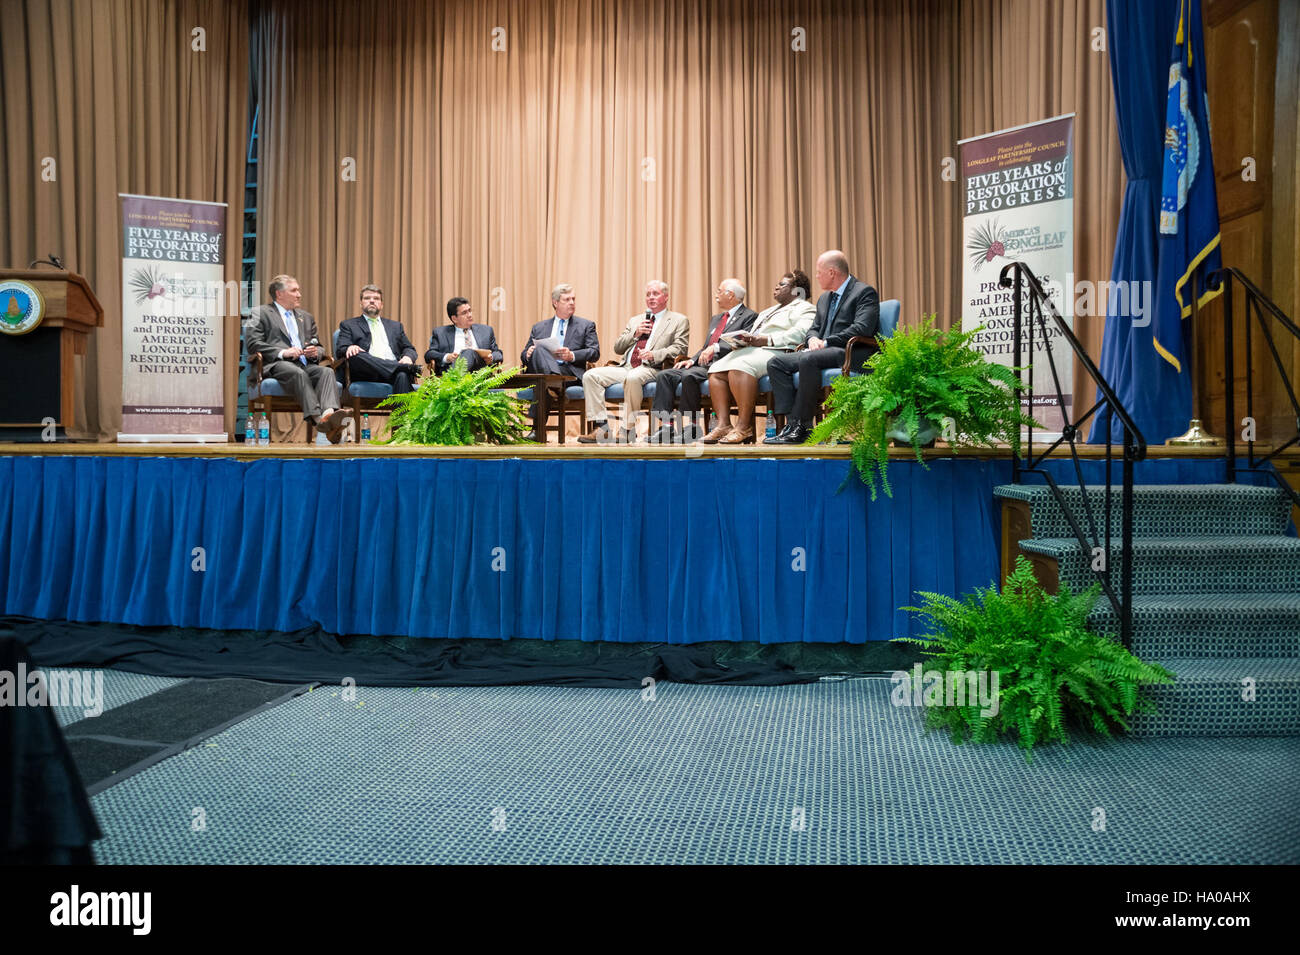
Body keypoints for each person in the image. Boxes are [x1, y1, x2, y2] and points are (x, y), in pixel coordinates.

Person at [764, 250, 879, 445]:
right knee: (776, 363)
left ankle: (803, 424)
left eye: (819, 272)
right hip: (823, 352)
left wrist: (826, 342)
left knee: (809, 359)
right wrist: (812, 340)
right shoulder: (825, 298)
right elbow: (814, 329)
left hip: (852, 352)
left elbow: (862, 328)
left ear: (832, 272)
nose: (816, 276)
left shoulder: (863, 292)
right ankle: (793, 425)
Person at [703, 270, 817, 443]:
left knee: (740, 367)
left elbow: (800, 334)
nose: (776, 287)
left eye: (782, 285)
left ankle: (743, 427)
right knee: (715, 370)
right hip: (752, 349)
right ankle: (724, 425)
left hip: (779, 351)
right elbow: (754, 333)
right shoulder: (768, 311)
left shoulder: (805, 308)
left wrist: (766, 339)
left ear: (796, 289)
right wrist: (741, 340)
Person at [577, 280, 689, 444]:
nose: (651, 297)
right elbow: (618, 348)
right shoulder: (636, 320)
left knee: (633, 378)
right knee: (590, 375)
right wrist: (635, 334)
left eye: (655, 294)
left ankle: (627, 429)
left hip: (654, 368)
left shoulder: (678, 320)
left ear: (665, 297)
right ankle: (602, 428)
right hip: (626, 366)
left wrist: (654, 354)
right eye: (648, 294)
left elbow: (680, 349)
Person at [649, 278, 757, 444]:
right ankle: (666, 427)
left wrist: (717, 348)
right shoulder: (716, 318)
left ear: (730, 294)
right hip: (703, 363)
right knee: (665, 375)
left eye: (719, 291)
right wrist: (691, 360)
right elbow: (706, 346)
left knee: (689, 376)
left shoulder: (749, 316)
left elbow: (745, 343)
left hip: (723, 365)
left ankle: (691, 428)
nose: (716, 295)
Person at [244, 274, 350, 442]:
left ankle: (329, 415)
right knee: (297, 373)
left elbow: (320, 346)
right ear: (279, 294)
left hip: (304, 364)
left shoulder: (305, 317)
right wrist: (283, 352)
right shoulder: (258, 313)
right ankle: (318, 421)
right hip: (275, 365)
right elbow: (252, 344)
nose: (299, 294)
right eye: (294, 290)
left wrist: (316, 352)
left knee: (326, 372)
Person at [520, 284, 601, 436]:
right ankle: (553, 383)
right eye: (567, 299)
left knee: (543, 381)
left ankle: (537, 430)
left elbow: (594, 352)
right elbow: (524, 355)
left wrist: (572, 355)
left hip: (569, 373)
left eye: (573, 299)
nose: (572, 302)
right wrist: (528, 353)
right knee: (538, 353)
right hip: (545, 374)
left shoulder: (585, 325)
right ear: (555, 303)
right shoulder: (539, 327)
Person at [336, 284, 419, 393]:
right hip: (367, 373)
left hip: (393, 375)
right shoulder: (349, 324)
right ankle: (398, 367)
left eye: (376, 298)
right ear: (361, 303)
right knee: (355, 354)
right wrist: (350, 347)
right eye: (367, 298)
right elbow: (341, 349)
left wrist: (408, 357)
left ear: (381, 304)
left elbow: (409, 348)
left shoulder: (395, 326)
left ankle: (401, 410)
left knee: (402, 375)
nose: (371, 301)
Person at [426, 297, 503, 374]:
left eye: (470, 311)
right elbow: (429, 354)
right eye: (464, 313)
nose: (469, 315)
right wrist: (447, 357)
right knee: (467, 353)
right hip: (451, 367)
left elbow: (498, 353)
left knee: (469, 352)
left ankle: (453, 380)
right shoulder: (440, 333)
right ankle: (455, 378)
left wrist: (491, 357)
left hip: (479, 372)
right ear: (454, 318)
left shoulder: (486, 331)